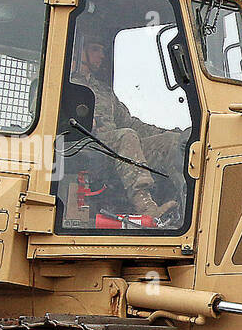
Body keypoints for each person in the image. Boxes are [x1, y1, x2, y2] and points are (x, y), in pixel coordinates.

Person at [72, 39, 181, 221]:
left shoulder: (104, 91)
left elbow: (130, 123)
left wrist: (164, 132)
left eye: (102, 51)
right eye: (95, 49)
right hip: (86, 146)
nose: (102, 55)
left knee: (171, 140)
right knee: (126, 136)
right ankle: (146, 207)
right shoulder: (65, 86)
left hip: (117, 149)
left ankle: (181, 203)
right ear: (79, 51)